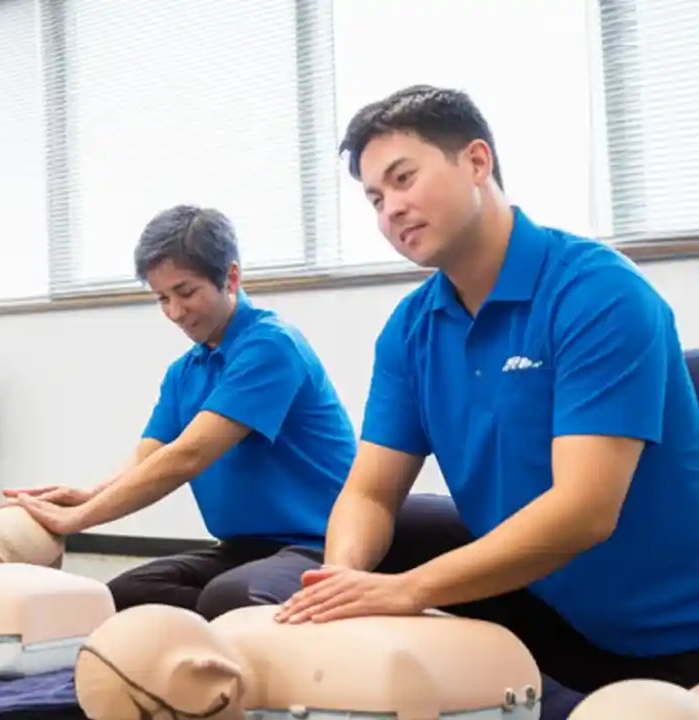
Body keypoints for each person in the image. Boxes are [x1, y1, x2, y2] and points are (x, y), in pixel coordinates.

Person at [263, 84, 699, 693]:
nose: (389, 208)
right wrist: (341, 589)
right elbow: (369, 493)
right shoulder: (411, 328)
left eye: (403, 178)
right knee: (321, 561)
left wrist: (407, 591)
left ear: (476, 161)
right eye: (374, 197)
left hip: (662, 639)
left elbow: (584, 513)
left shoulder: (598, 293)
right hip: (538, 600)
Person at [6, 205, 358, 619]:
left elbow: (188, 456)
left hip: (322, 546)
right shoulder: (185, 371)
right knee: (119, 595)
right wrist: (88, 495)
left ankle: (314, 614)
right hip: (244, 551)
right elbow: (149, 456)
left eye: (186, 292)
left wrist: (80, 519)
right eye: (162, 298)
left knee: (229, 598)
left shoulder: (271, 346)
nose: (174, 312)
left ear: (230, 277)